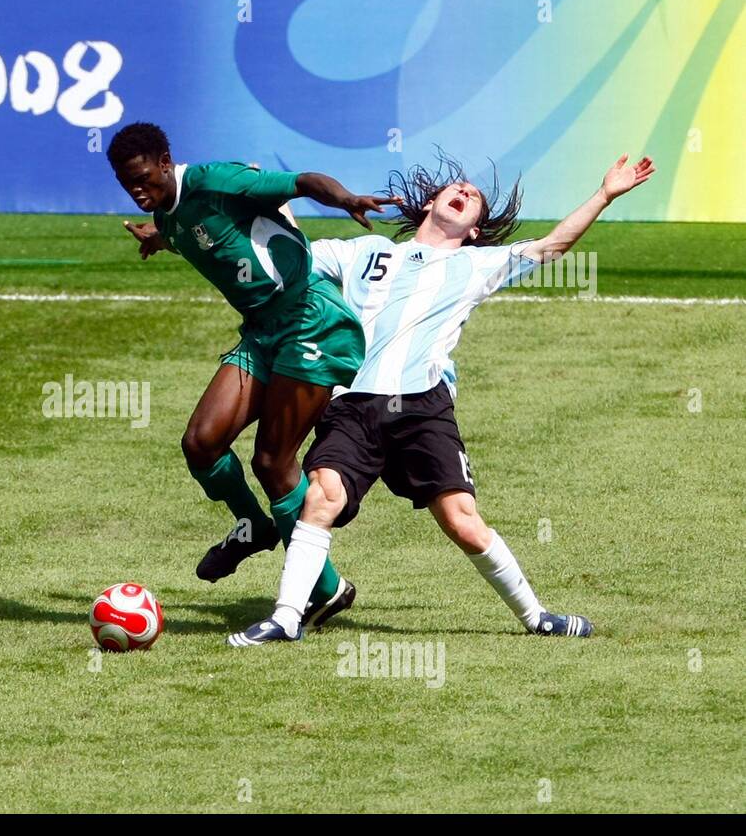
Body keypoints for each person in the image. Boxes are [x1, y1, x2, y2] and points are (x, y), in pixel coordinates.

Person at [227, 152, 656, 646]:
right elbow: (287, 254)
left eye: (474, 198)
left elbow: (552, 246)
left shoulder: (477, 264)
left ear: (474, 229)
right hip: (353, 403)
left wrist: (605, 193)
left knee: (462, 521)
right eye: (458, 189)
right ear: (431, 202)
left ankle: (537, 616)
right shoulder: (361, 251)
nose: (466, 193)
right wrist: (215, 223)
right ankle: (285, 619)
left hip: (421, 408)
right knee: (322, 499)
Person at [108, 122, 396, 627]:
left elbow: (303, 182)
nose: (135, 187)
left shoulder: (219, 181)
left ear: (165, 161)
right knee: (201, 442)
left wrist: (345, 197)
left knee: (272, 461)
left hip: (310, 321)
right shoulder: (165, 212)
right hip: (261, 333)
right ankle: (253, 526)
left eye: (142, 175)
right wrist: (160, 237)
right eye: (124, 180)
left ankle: (324, 589)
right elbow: (201, 236)